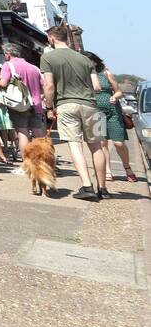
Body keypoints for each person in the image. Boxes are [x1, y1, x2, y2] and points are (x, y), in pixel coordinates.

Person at [41, 24, 106, 201]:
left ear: (52, 38)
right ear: (67, 38)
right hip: (91, 104)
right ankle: (103, 188)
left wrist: (49, 107)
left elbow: (49, 85)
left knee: (75, 144)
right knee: (96, 146)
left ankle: (87, 186)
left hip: (66, 105)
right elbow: (97, 87)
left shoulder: (48, 58)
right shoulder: (85, 59)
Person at [87, 52, 135, 186]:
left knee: (119, 143)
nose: (89, 63)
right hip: (96, 111)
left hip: (113, 111)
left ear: (96, 62)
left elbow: (118, 91)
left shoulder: (106, 74)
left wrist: (115, 97)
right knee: (102, 143)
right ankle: (108, 170)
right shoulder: (85, 76)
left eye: (90, 61)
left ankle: (127, 168)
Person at [0, 43, 47, 167]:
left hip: (19, 105)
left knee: (22, 132)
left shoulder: (8, 65)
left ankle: (28, 164)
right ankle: (45, 162)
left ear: (8, 55)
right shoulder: (34, 67)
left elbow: (3, 83)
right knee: (38, 133)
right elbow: (44, 87)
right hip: (36, 104)